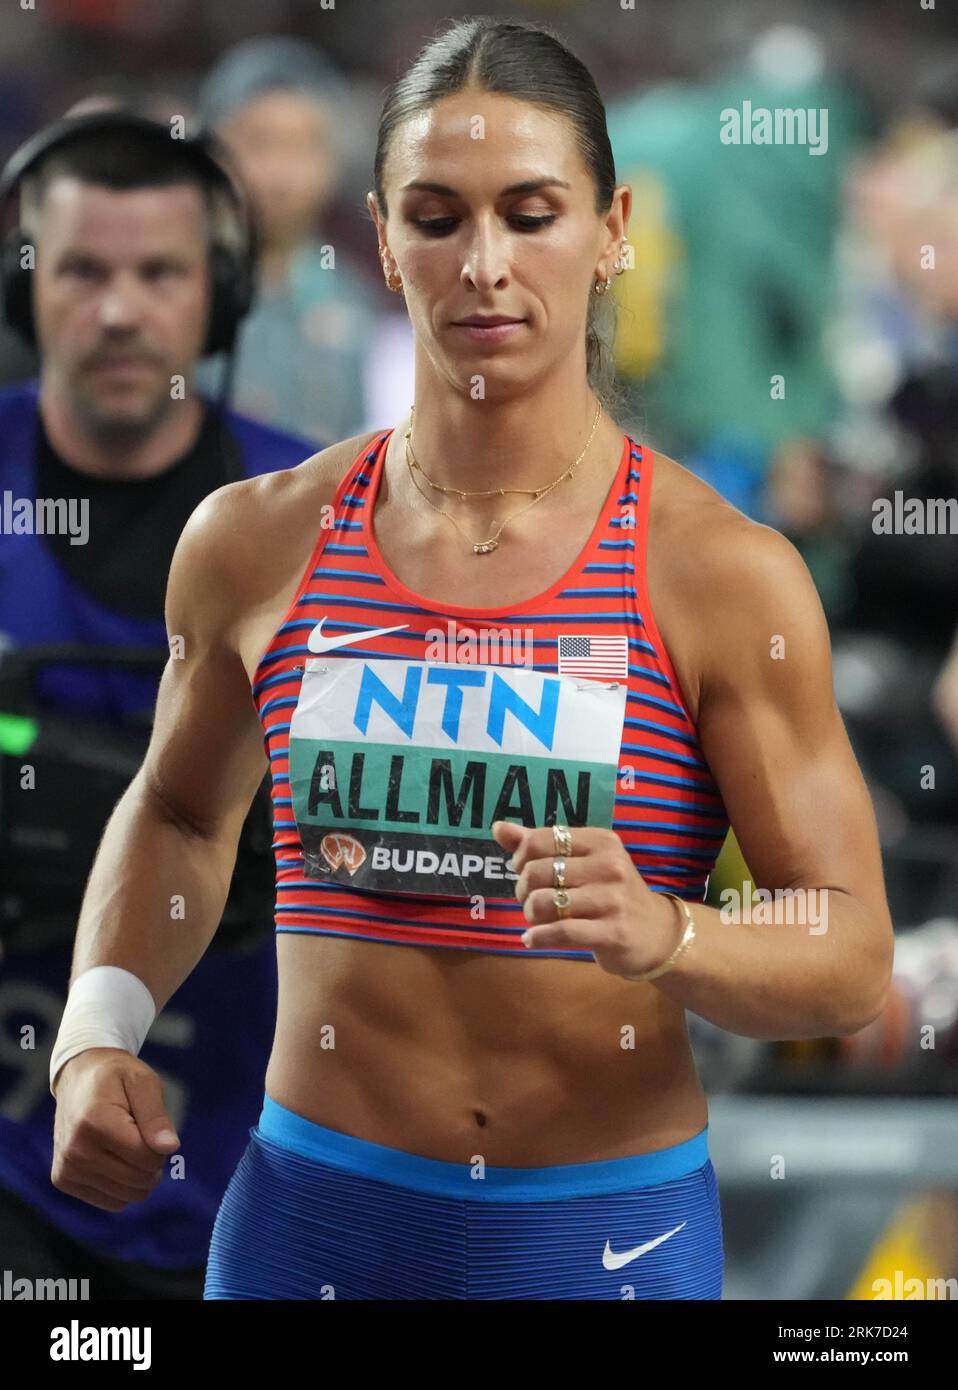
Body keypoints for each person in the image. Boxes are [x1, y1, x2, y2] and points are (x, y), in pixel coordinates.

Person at [49, 19, 894, 1301]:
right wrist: (97, 1030)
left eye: (532, 212)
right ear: (382, 239)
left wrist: (671, 934)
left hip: (599, 1238)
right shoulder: (256, 539)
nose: (483, 265)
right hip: (309, 1224)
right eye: (437, 217)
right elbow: (175, 807)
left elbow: (844, 950)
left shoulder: (719, 574)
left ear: (612, 230)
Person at [0, 110, 318, 1297]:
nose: (121, 310)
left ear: (222, 292)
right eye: (81, 269)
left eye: (160, 272)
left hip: (258, 1163)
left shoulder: (324, 512)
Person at [195, 36, 379, 443]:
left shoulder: (355, 301)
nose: (281, 175)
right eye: (258, 143)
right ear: (211, 153)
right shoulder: (176, 289)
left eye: (304, 146)